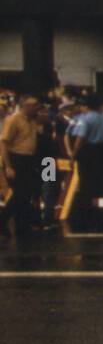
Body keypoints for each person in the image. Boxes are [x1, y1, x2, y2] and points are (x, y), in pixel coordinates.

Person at [66, 94, 103, 231]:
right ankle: (100, 216)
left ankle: (86, 216)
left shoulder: (84, 119)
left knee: (86, 185)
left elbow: (80, 138)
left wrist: (73, 156)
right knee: (100, 185)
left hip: (88, 152)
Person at [0, 96, 40, 238]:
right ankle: (2, 220)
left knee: (27, 193)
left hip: (30, 159)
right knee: (20, 193)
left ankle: (22, 225)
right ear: (26, 106)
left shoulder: (33, 121)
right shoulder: (13, 120)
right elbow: (4, 143)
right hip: (16, 158)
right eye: (34, 105)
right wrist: (8, 166)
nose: (37, 108)